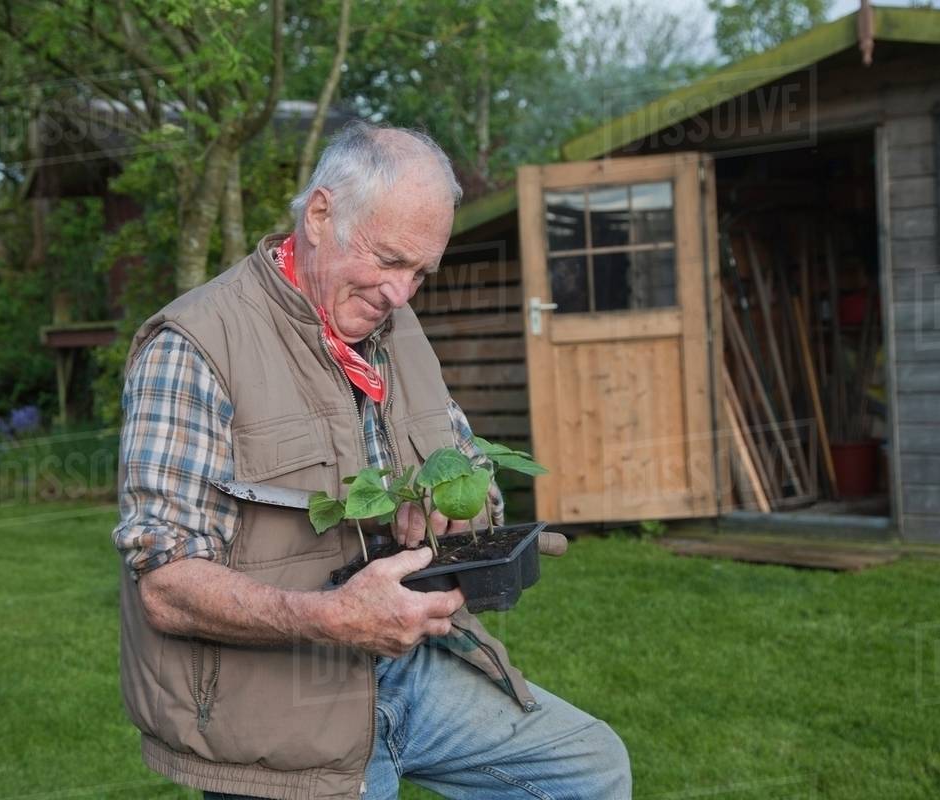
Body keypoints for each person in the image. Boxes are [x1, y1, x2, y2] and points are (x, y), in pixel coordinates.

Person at [112, 121, 631, 800]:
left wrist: (447, 511)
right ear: (321, 215)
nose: (401, 293)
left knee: (587, 768)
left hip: (403, 669)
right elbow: (165, 586)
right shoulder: (196, 346)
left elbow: (472, 475)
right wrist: (334, 619)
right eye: (389, 260)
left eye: (420, 271)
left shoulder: (395, 331)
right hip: (276, 698)